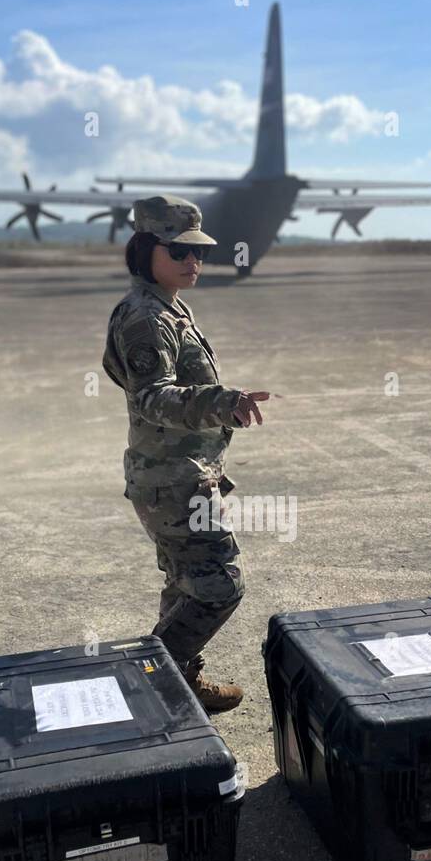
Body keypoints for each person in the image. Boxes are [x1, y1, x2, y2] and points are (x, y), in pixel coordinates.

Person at [102, 194, 270, 713]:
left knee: (184, 582)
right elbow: (151, 397)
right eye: (178, 252)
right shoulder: (143, 317)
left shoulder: (170, 307)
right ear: (144, 249)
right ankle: (152, 683)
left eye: (198, 252)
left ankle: (176, 680)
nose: (192, 262)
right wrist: (222, 402)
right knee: (220, 583)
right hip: (171, 479)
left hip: (184, 473)